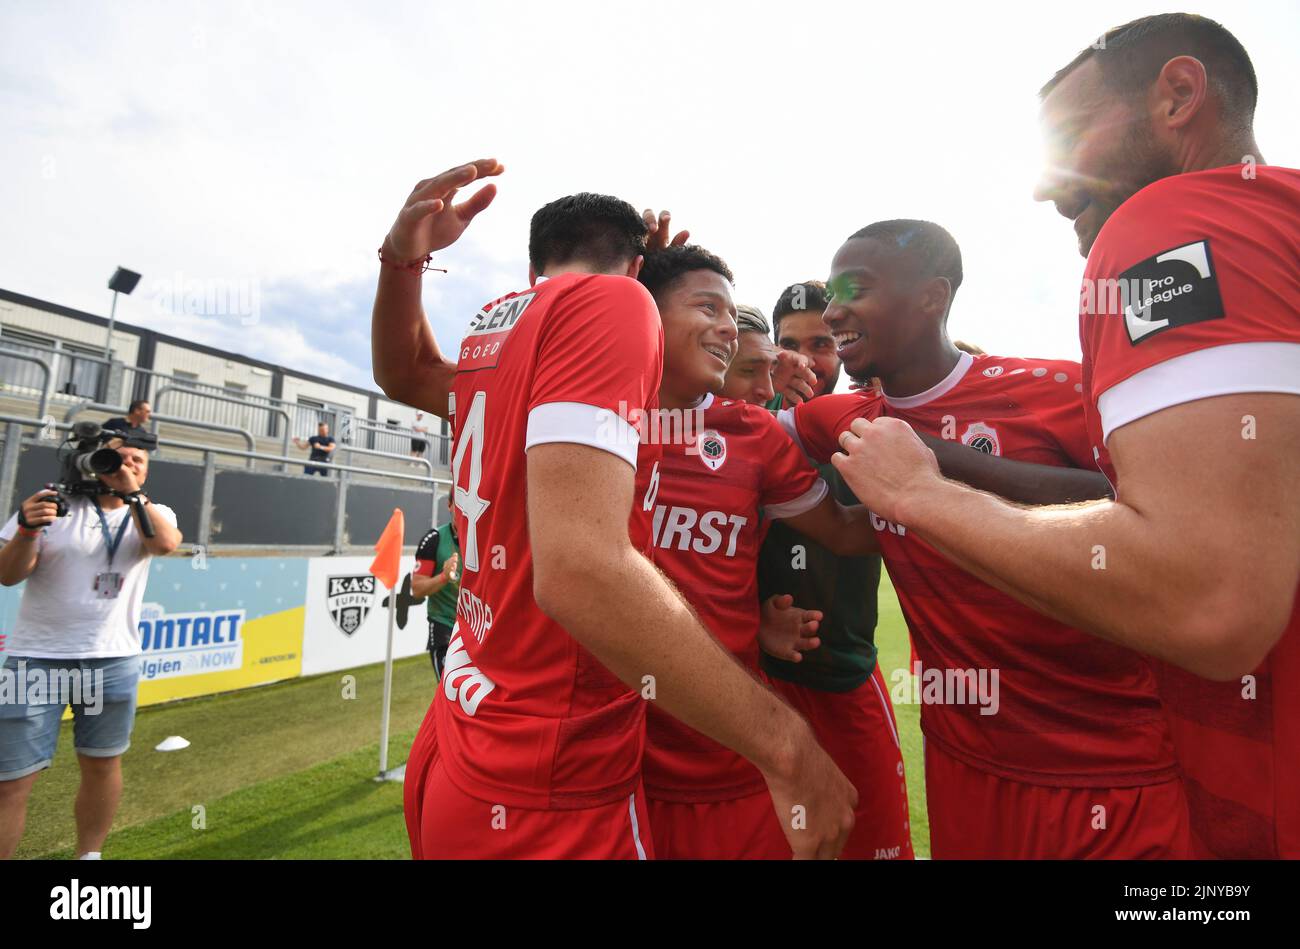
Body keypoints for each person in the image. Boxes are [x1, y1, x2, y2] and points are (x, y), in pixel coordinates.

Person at [832, 14, 1299, 860]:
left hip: (1181, 792)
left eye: (1076, 136)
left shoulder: (1175, 223)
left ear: (1179, 96)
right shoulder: (1275, 218)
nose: (1048, 189)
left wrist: (924, 492)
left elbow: (1211, 600)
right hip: (990, 768)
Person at [372, 159, 855, 859]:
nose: (728, 328)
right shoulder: (615, 304)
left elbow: (403, 372)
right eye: (709, 307)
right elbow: (581, 573)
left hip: (464, 733)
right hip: (552, 774)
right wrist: (790, 747)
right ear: (636, 275)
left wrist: (401, 259)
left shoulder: (500, 332)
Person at [785, 219, 1192, 858]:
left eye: (854, 289)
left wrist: (937, 462)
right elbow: (723, 426)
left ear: (932, 297)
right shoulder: (838, 418)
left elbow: (1150, 514)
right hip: (963, 762)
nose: (834, 310)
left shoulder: (1058, 388)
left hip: (1109, 760)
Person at [635, 245, 877, 859]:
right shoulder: (591, 417)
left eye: (729, 309)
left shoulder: (757, 432)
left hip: (729, 739)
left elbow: (845, 530)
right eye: (704, 306)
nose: (722, 323)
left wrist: (942, 493)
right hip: (615, 743)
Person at [746, 281, 912, 861]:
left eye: (820, 343)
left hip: (846, 679)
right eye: (787, 343)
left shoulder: (873, 427)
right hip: (756, 688)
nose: (803, 359)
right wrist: (751, 622)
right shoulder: (740, 428)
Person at [0, 433, 182, 860]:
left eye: (138, 460)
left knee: (102, 763)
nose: (128, 465)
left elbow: (165, 544)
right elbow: (8, 575)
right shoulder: (50, 503)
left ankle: (89, 858)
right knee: (11, 778)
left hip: (113, 658)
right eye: (117, 458)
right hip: (35, 659)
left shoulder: (152, 512)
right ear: (91, 460)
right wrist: (26, 531)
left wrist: (132, 493)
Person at [412, 519, 460, 678]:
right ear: (450, 506)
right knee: (450, 689)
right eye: (458, 504)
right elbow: (417, 589)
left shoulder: (484, 536)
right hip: (444, 625)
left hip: (476, 628)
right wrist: (443, 577)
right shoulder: (434, 539)